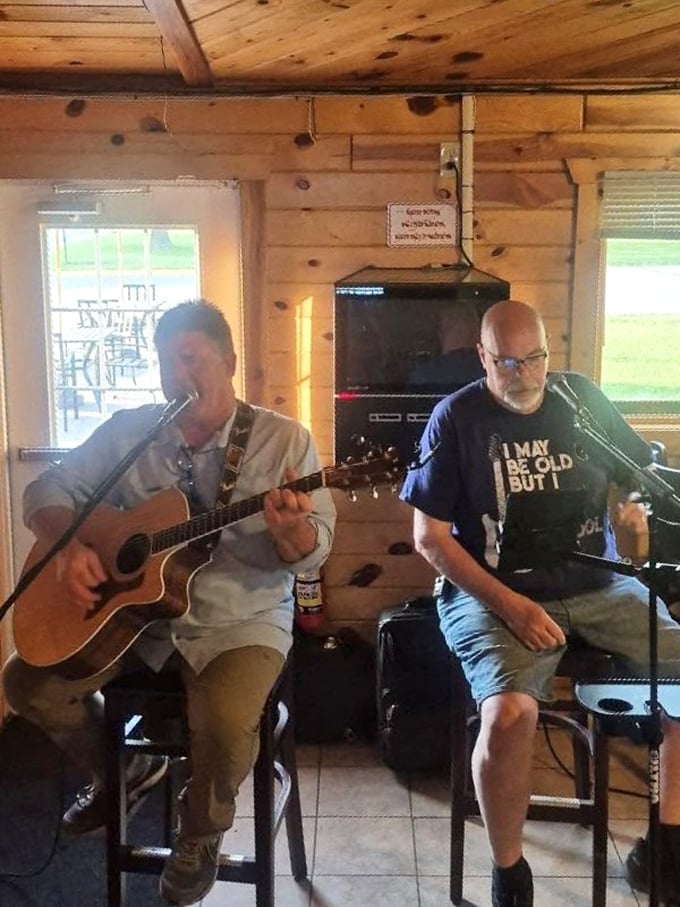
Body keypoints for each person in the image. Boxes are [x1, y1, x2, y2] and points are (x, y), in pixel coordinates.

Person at [2, 299, 336, 907]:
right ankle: (120, 772)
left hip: (241, 618)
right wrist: (70, 540)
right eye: (164, 361)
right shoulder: (131, 432)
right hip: (138, 623)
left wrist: (293, 534)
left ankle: (200, 834)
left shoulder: (283, 441)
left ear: (229, 363)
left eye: (190, 359)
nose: (175, 373)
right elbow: (47, 488)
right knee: (28, 683)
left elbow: (315, 551)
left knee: (225, 722)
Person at [399, 299, 680, 906]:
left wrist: (632, 506)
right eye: (506, 362)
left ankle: (666, 841)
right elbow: (430, 538)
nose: (523, 373)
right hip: (492, 590)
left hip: (598, 581)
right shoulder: (457, 418)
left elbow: (636, 471)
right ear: (481, 357)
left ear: (548, 353)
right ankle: (510, 872)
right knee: (508, 717)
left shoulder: (581, 399)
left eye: (534, 359)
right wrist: (511, 606)